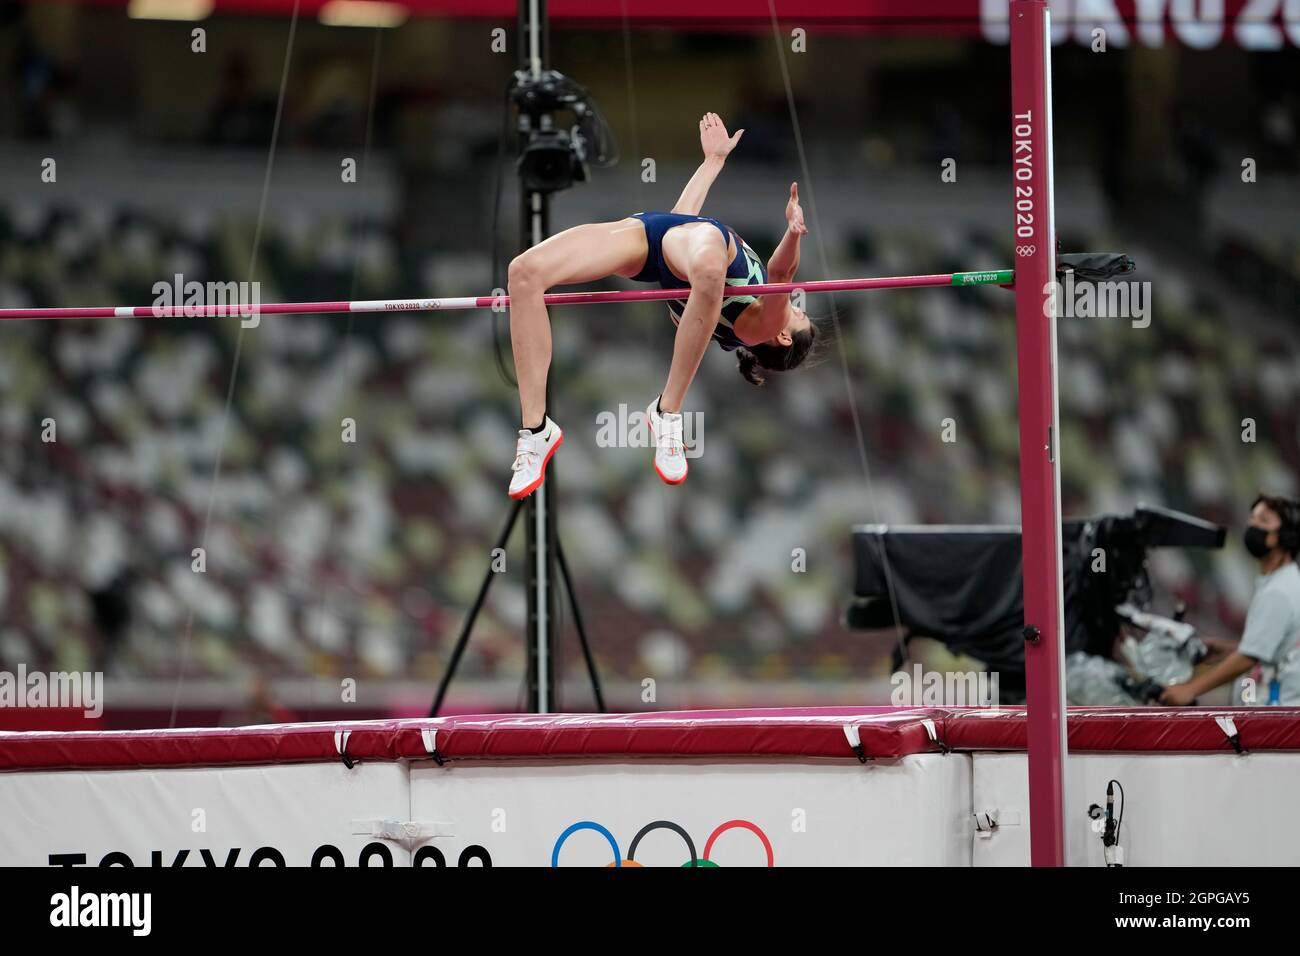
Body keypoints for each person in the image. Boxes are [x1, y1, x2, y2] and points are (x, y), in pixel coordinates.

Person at [504, 112, 819, 499]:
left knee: (708, 269)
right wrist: (713, 162)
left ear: (783, 336)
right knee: (524, 273)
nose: (796, 304)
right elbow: (679, 223)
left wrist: (792, 233)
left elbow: (780, 271)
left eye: (799, 312)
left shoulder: (760, 326)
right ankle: (536, 431)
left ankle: (667, 413)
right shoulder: (725, 310)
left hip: (700, 248)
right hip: (660, 236)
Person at [1161, 494, 1300, 706]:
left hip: (1280, 718)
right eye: (1252, 518)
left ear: (1283, 536)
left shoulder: (1278, 592)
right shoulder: (1281, 582)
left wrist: (1189, 690)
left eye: (1263, 521)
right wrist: (1228, 650)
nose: (1252, 525)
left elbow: (1249, 658)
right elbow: (1276, 649)